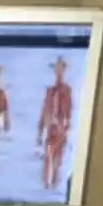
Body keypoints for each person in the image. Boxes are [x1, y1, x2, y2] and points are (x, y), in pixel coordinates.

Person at [37, 56, 73, 189]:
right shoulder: (50, 91)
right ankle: (46, 182)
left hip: (60, 128)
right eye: (56, 69)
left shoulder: (66, 91)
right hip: (50, 127)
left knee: (57, 156)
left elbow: (68, 110)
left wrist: (64, 127)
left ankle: (54, 182)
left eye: (60, 69)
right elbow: (44, 110)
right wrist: (40, 131)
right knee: (48, 154)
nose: (58, 72)